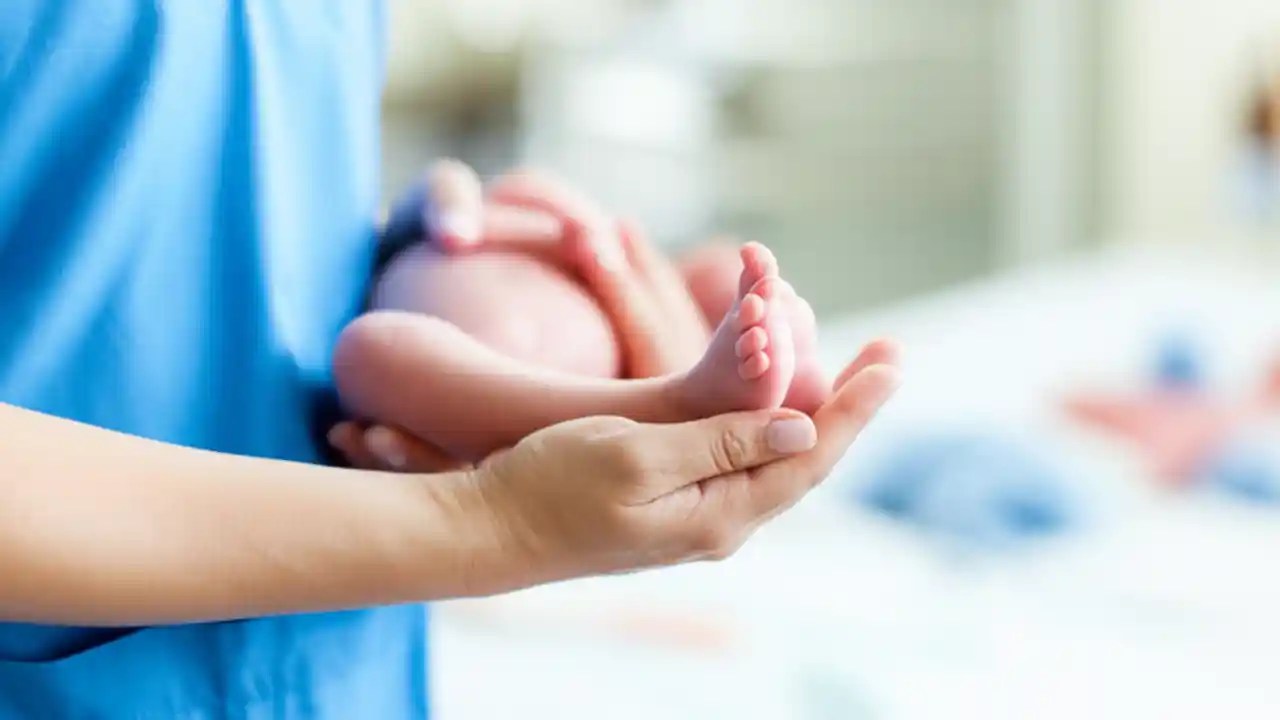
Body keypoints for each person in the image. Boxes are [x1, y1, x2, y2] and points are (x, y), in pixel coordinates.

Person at [0, 2, 900, 717]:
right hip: (72, 670)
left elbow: (167, 187)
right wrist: (490, 524)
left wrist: (418, 233)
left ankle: (658, 392)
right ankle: (669, 395)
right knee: (379, 354)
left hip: (335, 656)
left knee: (400, 344)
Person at [334, 160, 830, 463]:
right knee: (373, 348)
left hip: (451, 380)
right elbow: (515, 199)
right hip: (401, 267)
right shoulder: (618, 251)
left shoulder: (663, 340)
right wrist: (569, 245)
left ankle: (689, 403)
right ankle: (689, 401)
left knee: (372, 356)